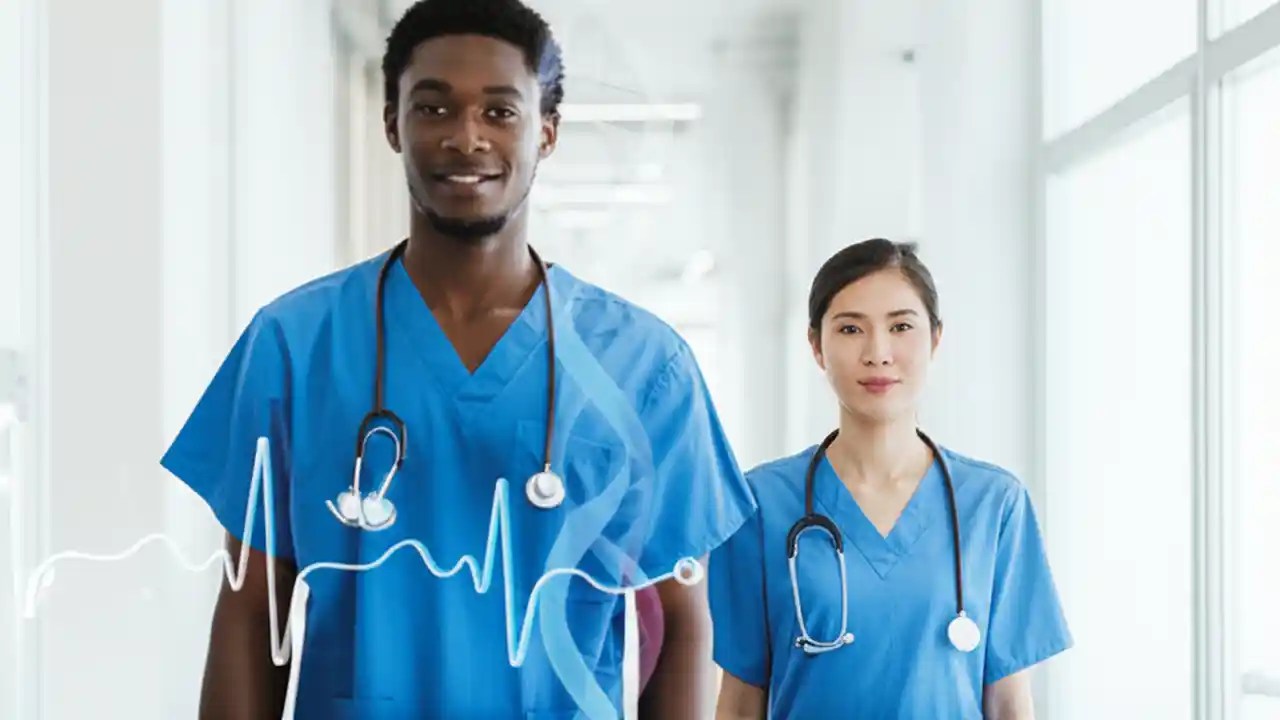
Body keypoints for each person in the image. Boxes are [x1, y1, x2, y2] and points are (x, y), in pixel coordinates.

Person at [160, 0, 755, 717]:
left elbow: (682, 625)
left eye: (500, 112)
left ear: (548, 132)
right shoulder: (295, 345)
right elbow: (251, 612)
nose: (465, 137)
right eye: (433, 107)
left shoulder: (643, 365)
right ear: (393, 125)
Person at [708, 239, 1072, 719]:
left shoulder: (994, 505)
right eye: (851, 328)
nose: (878, 353)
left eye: (901, 326)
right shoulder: (759, 506)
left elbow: (1009, 705)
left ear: (935, 339)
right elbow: (738, 703)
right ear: (816, 345)